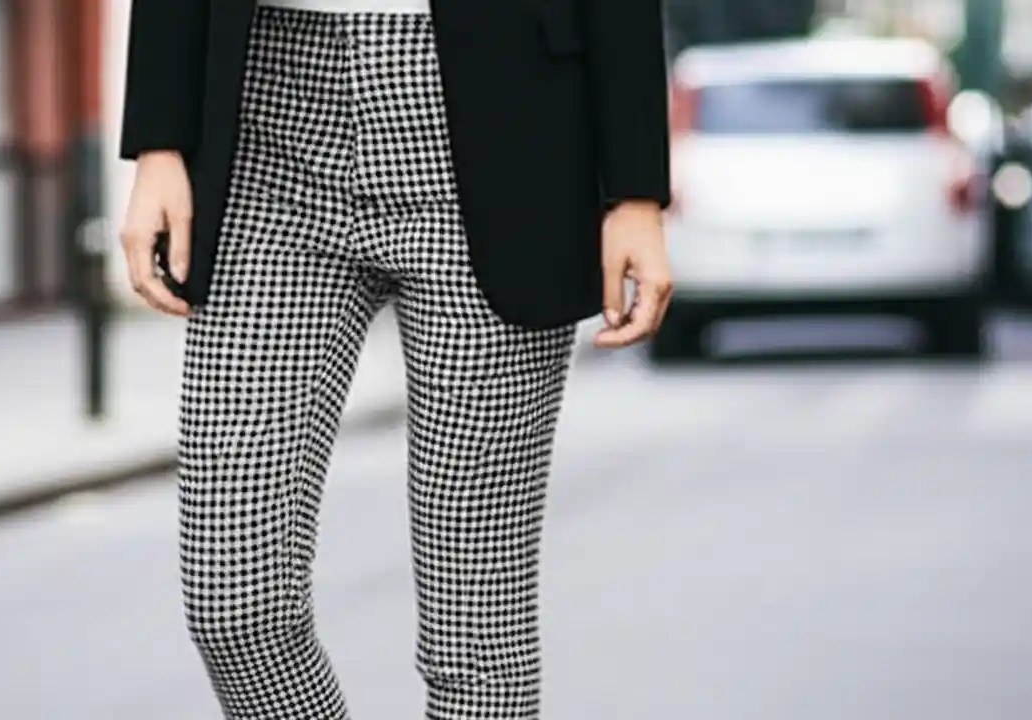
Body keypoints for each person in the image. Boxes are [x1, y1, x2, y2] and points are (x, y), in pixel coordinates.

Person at [118, 0, 673, 717]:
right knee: (236, 605)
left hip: (502, 121)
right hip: (268, 131)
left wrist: (634, 191)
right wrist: (160, 139)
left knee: (475, 634)